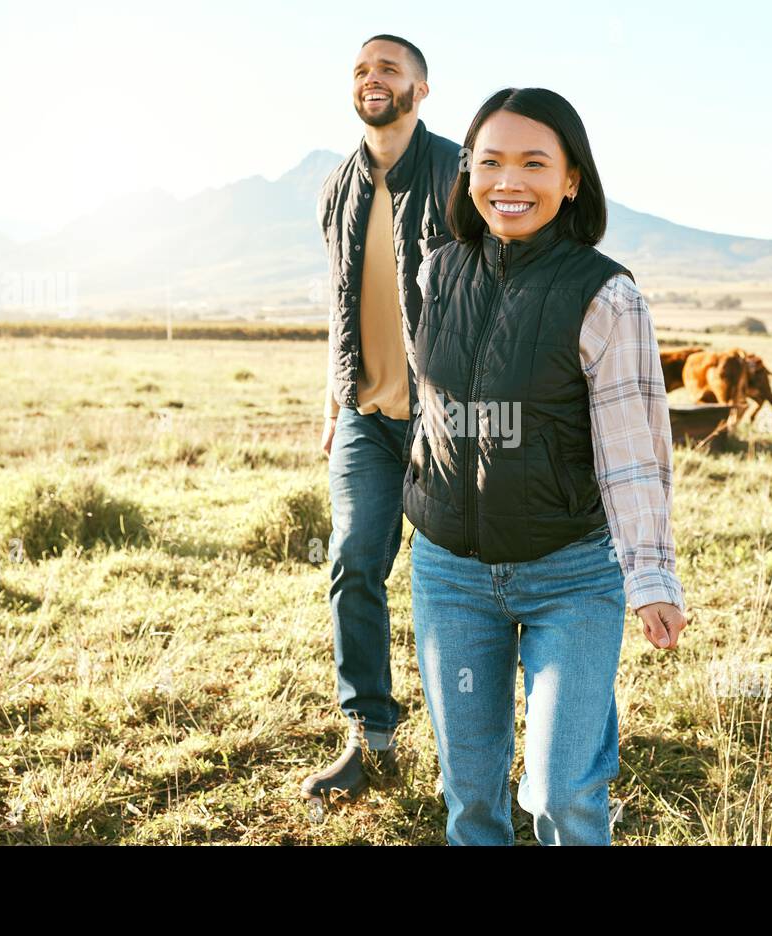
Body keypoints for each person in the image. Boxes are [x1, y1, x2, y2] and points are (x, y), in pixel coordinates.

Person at [402, 87, 689, 845]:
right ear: (467, 175)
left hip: (571, 577)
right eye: (490, 161)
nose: (510, 181)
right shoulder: (438, 274)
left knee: (563, 795)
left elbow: (633, 451)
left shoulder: (606, 295)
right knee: (469, 796)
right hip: (450, 575)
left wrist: (651, 576)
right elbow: (429, 405)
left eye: (535, 162)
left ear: (571, 180)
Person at [302, 34, 460, 804]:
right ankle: (370, 735)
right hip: (365, 416)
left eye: (389, 69)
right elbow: (339, 306)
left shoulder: (461, 172)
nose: (373, 80)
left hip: (450, 419)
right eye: (362, 69)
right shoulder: (337, 187)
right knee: (354, 561)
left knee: (456, 578)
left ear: (420, 90)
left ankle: (477, 740)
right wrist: (333, 402)